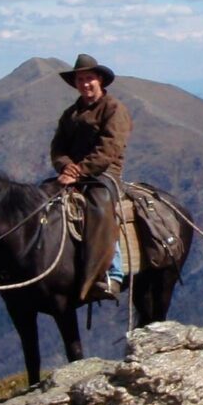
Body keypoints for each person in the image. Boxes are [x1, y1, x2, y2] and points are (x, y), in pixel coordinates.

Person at [50, 53, 131, 301]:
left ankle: (113, 274)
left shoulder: (114, 109)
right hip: (72, 175)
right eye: (80, 79)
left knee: (99, 207)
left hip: (104, 174)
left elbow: (110, 147)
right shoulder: (70, 114)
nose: (85, 84)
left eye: (89, 79)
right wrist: (66, 167)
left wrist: (79, 171)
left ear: (100, 81)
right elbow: (57, 148)